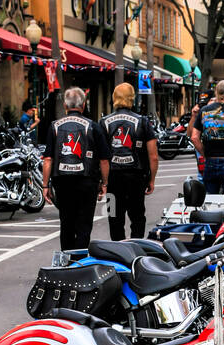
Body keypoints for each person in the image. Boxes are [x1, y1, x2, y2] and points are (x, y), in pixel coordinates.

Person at [41, 86, 109, 251]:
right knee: (84, 225)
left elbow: (48, 159)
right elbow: (104, 160)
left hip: (62, 181)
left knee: (66, 223)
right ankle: (79, 262)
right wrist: (104, 183)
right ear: (83, 105)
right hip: (87, 181)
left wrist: (45, 185)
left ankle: (67, 261)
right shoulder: (93, 126)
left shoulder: (54, 126)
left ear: (65, 106)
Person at [100, 82, 158, 241]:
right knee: (138, 217)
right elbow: (153, 155)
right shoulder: (143, 121)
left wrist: (102, 182)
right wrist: (151, 179)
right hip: (137, 177)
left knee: (113, 218)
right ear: (132, 98)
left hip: (112, 178)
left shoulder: (104, 122)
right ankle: (136, 248)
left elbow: (101, 157)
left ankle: (118, 251)